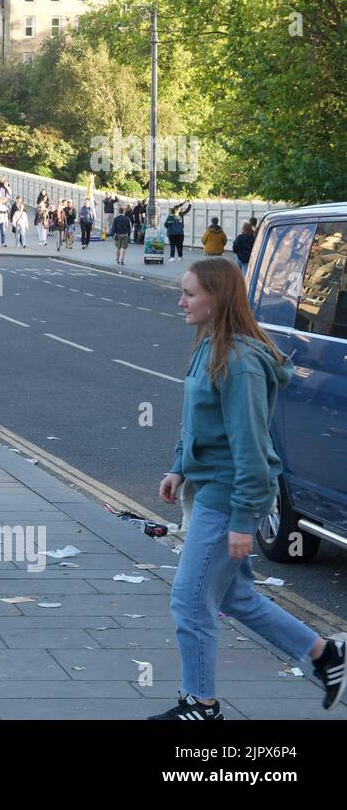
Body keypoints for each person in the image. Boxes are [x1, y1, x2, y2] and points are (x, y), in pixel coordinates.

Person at [152, 258, 345, 719]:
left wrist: (243, 521)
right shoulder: (209, 346)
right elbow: (195, 420)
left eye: (190, 293)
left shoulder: (239, 363)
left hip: (228, 498)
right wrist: (179, 466)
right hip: (209, 489)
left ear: (217, 299)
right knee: (235, 597)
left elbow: (253, 452)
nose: (181, 301)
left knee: (190, 600)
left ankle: (202, 705)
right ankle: (323, 655)